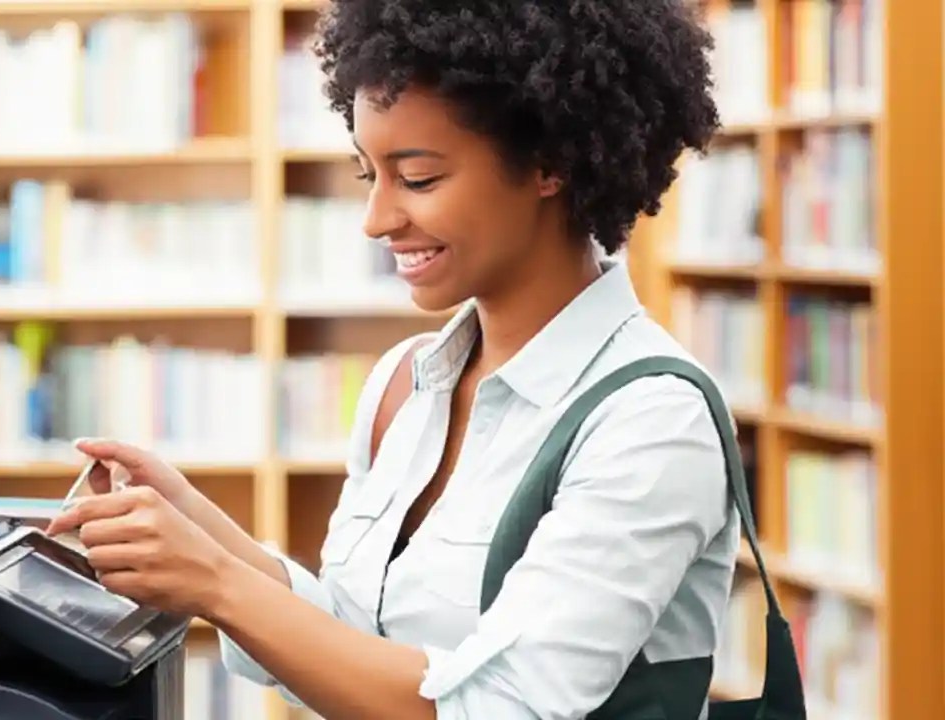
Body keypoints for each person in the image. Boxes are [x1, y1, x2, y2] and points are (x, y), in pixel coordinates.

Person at [45, 1, 739, 718]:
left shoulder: (651, 421)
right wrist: (203, 534)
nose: (377, 219)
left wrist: (219, 583)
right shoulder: (404, 385)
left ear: (550, 165)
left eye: (417, 179)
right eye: (367, 175)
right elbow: (350, 640)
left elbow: (500, 708)